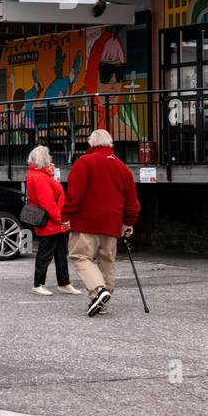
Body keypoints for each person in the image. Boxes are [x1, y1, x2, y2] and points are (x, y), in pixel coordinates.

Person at [62, 128, 141, 317]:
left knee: (80, 257)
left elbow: (74, 195)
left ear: (91, 143)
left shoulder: (85, 162)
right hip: (112, 223)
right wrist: (128, 222)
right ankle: (102, 303)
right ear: (110, 144)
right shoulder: (123, 168)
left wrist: (65, 216)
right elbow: (132, 201)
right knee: (106, 261)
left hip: (86, 222)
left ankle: (98, 290)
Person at [25, 145, 83, 297]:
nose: (51, 158)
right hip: (53, 222)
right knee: (48, 254)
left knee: (58, 253)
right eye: (48, 156)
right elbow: (48, 203)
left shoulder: (39, 175)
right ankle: (41, 284)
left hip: (53, 222)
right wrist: (62, 219)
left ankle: (63, 283)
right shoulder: (40, 177)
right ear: (44, 158)